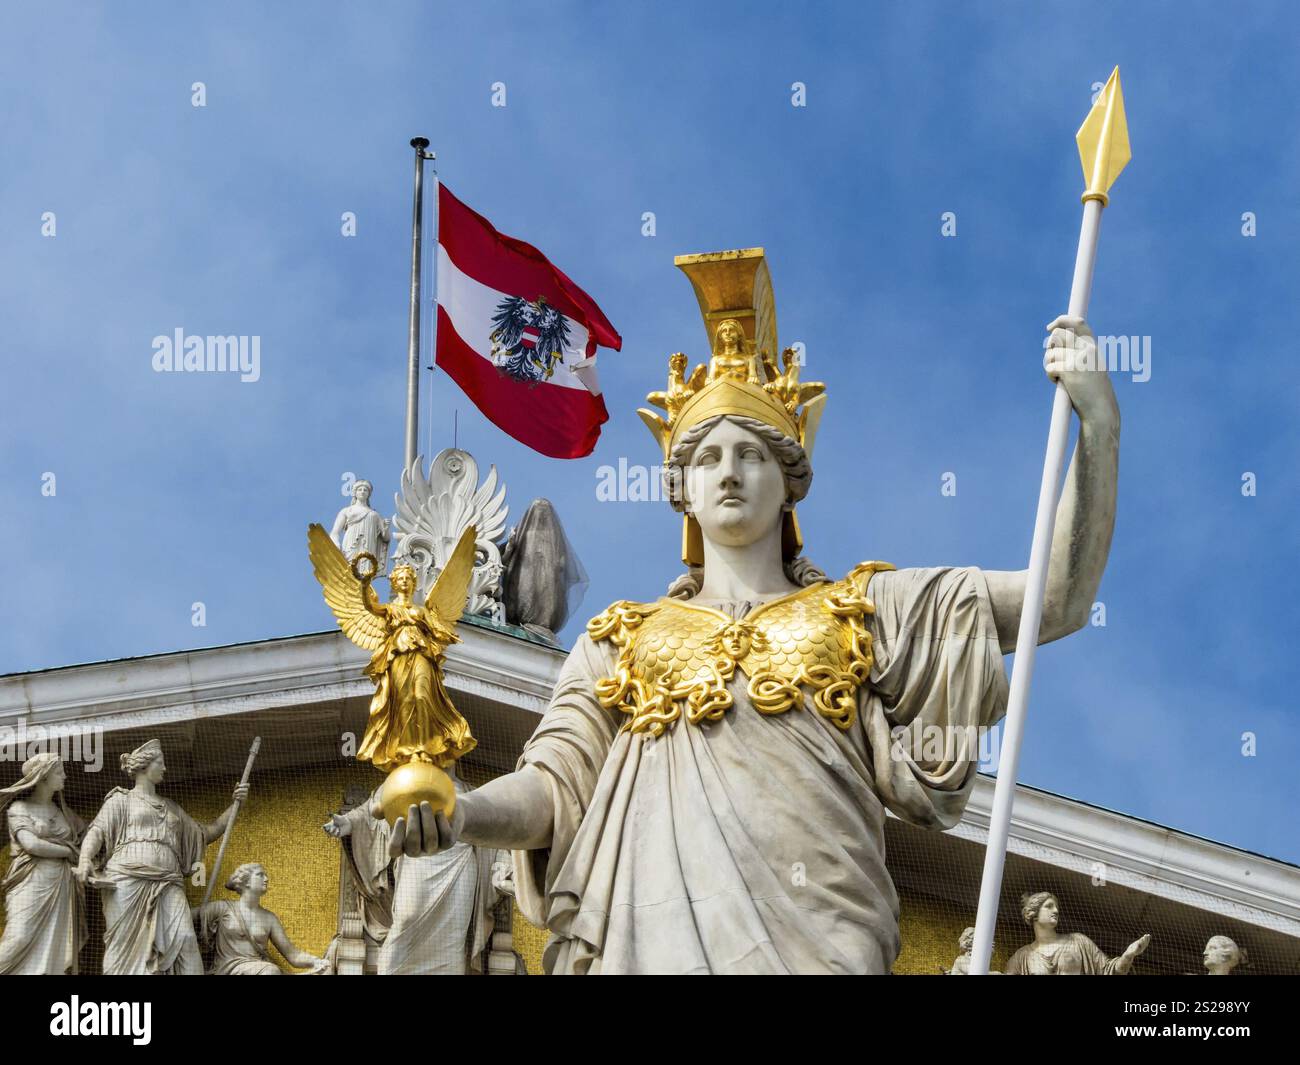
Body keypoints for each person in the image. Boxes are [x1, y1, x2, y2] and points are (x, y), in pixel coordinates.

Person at [383, 293, 1119, 974]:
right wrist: (463, 811)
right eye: (707, 457)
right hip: (654, 937)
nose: (729, 472)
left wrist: (1098, 426)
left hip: (822, 933)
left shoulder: (862, 609)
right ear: (684, 489)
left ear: (789, 478)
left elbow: (1057, 600)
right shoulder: (621, 641)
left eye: (752, 454)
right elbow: (553, 789)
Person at [75, 739, 249, 975]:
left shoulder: (172, 808)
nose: (165, 769)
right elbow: (97, 832)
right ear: (145, 766)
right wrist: (85, 858)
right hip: (126, 879)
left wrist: (236, 804)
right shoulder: (120, 801)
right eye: (161, 763)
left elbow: (209, 832)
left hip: (168, 881)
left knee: (186, 937)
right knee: (124, 944)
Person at [0, 754, 87, 974]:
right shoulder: (19, 808)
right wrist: (68, 851)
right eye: (59, 772)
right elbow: (31, 844)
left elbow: (90, 833)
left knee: (57, 945)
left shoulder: (64, 813)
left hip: (61, 883)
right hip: (31, 880)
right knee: (19, 936)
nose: (64, 776)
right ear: (43, 777)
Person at [193, 863, 327, 975]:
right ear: (245, 881)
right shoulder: (222, 908)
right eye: (260, 874)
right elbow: (186, 917)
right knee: (270, 971)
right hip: (228, 968)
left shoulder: (269, 918)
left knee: (270, 971)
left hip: (257, 969)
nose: (266, 879)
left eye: (266, 875)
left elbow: (293, 954)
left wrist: (315, 961)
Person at [1003, 892, 1149, 975]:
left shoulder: (1078, 941)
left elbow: (1108, 971)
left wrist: (1128, 955)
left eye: (1056, 907)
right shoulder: (1022, 957)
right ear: (1033, 914)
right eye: (1049, 906)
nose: (1056, 911)